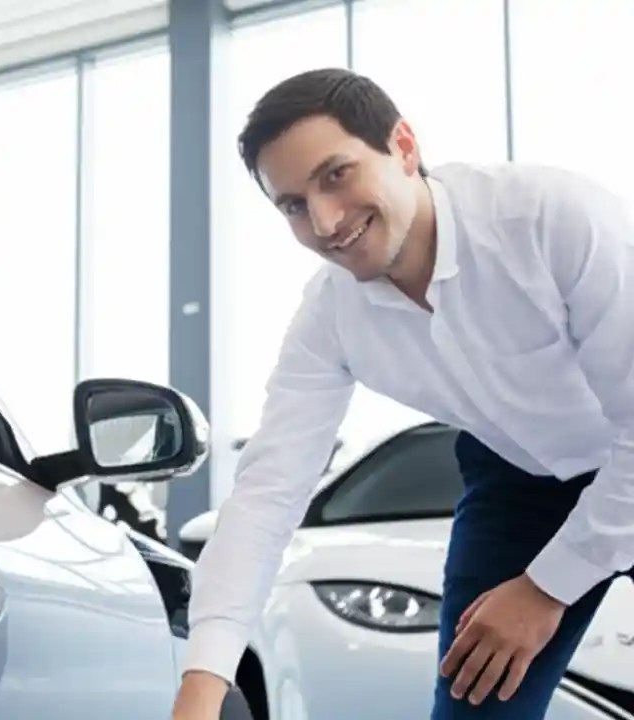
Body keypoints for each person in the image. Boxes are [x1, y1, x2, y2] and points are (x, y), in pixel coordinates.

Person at [171, 67, 634, 720]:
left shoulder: (552, 218)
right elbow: (266, 497)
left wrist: (544, 589)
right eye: (294, 205)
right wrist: (201, 685)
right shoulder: (329, 318)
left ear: (405, 147)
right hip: (519, 483)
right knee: (475, 708)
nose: (326, 221)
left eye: (337, 174)